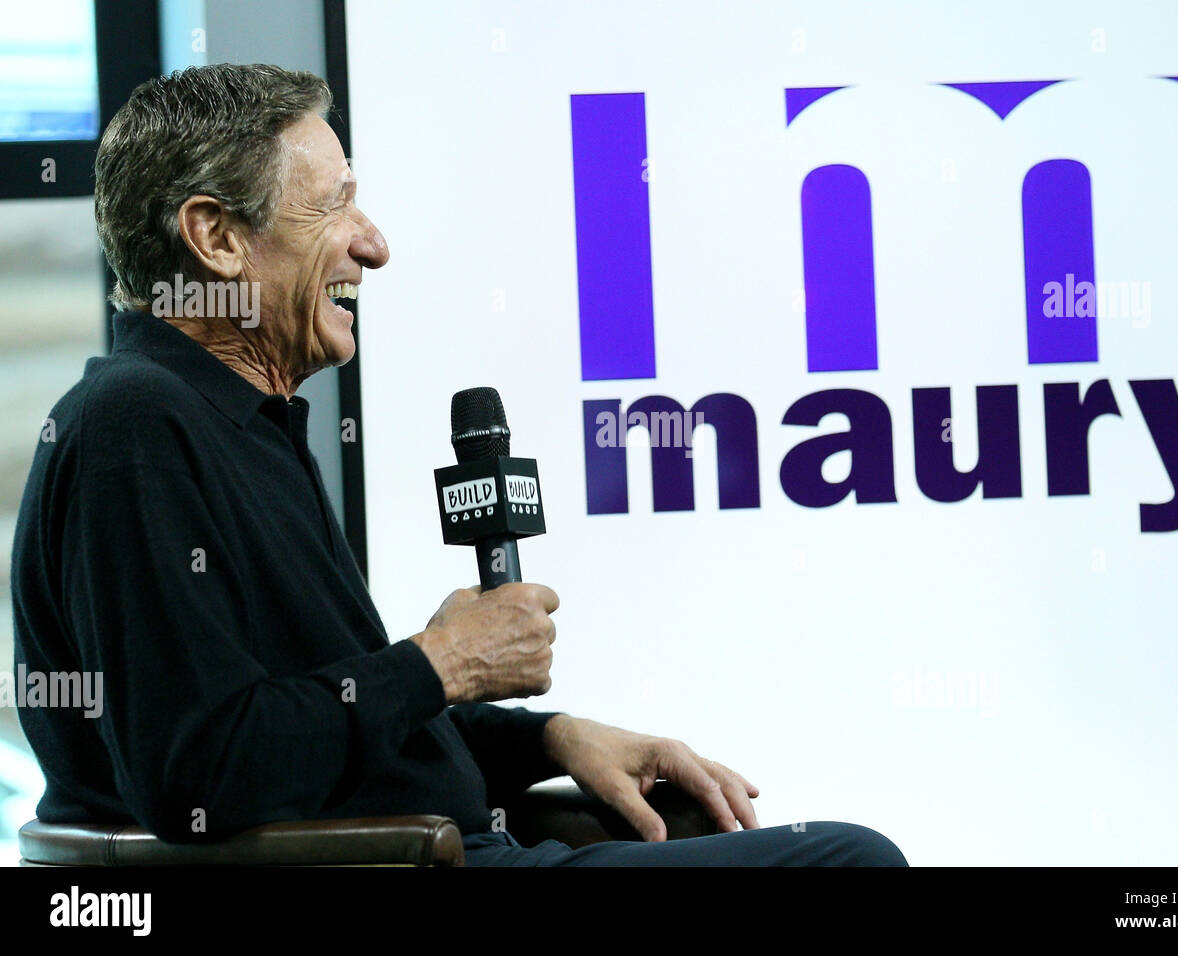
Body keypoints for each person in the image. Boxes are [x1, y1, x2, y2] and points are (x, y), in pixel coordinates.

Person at [9, 63, 906, 867]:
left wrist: (549, 736)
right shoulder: (134, 427)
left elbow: (326, 728)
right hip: (411, 863)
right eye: (333, 205)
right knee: (850, 863)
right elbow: (203, 771)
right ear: (216, 236)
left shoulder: (241, 420)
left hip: (460, 844)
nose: (374, 244)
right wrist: (442, 662)